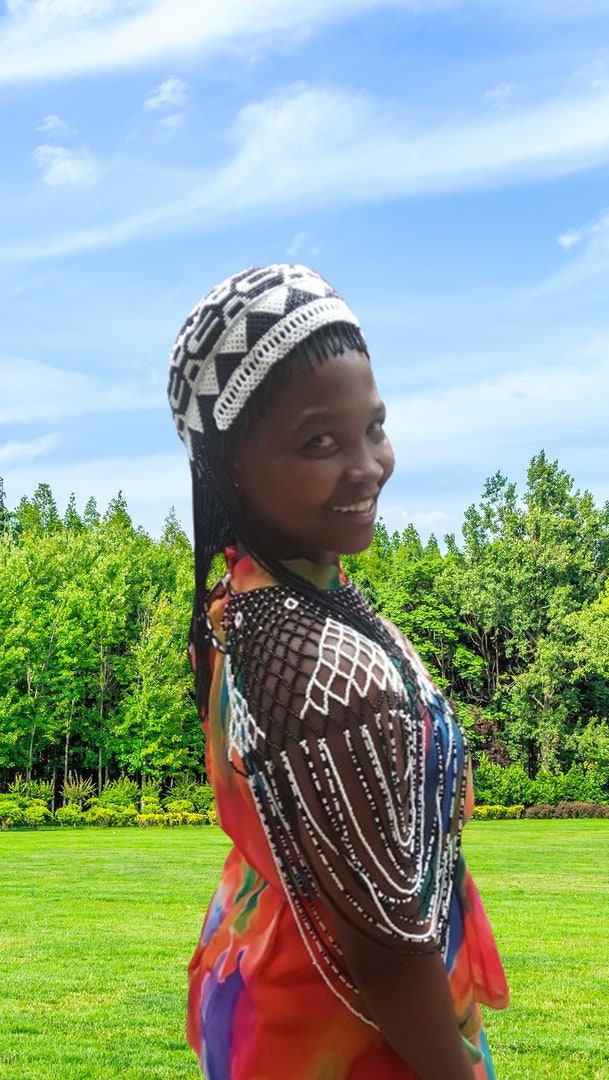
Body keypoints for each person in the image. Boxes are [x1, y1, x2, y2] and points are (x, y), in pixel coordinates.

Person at [167, 265, 509, 1080]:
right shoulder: (322, 665)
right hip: (351, 1035)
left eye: (374, 427)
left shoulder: (244, 592)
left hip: (265, 983)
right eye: (320, 441)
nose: (368, 466)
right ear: (233, 466)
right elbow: (384, 949)